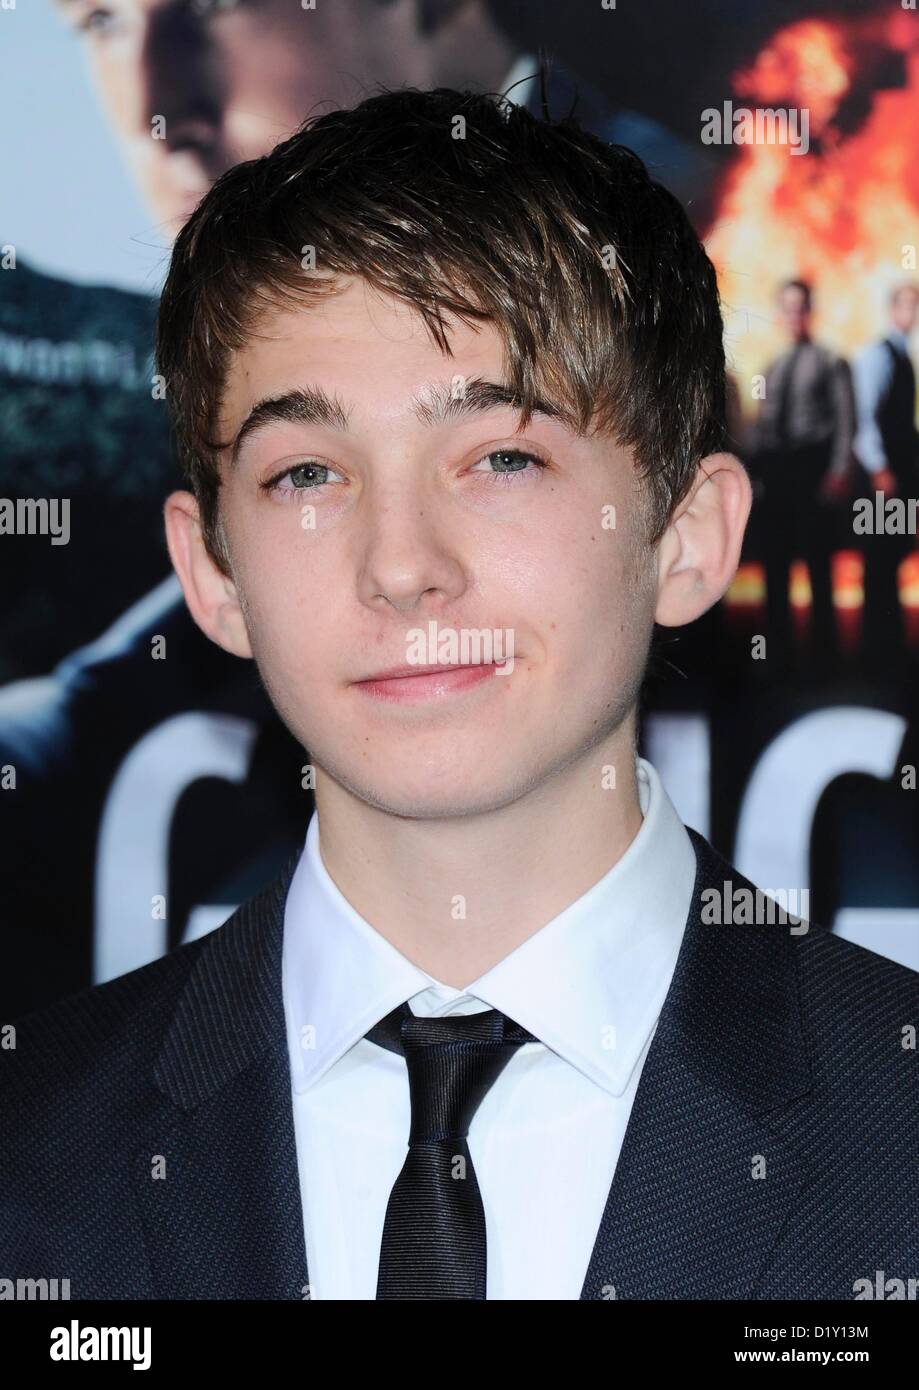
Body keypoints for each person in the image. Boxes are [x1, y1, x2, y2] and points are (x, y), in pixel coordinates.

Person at [2, 89, 916, 1303]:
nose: (398, 563)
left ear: (687, 538)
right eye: (307, 471)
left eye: (500, 458)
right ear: (210, 572)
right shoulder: (32, 1151)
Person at [745, 280, 854, 670]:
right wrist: (752, 474)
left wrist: (838, 472)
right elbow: (761, 428)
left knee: (817, 567)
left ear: (810, 311)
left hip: (813, 472)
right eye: (787, 307)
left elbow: (845, 423)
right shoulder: (772, 369)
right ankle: (779, 659)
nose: (794, 314)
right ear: (781, 313)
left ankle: (825, 660)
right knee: (776, 569)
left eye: (800, 307)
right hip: (777, 476)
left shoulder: (830, 361)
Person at [852, 282, 919, 668]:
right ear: (893, 310)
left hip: (896, 480)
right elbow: (866, 420)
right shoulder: (878, 356)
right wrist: (880, 469)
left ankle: (888, 649)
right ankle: (875, 653)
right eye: (905, 306)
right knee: (878, 561)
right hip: (880, 482)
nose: (911, 315)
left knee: (891, 559)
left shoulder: (903, 356)